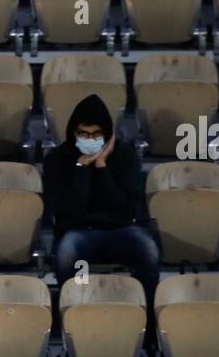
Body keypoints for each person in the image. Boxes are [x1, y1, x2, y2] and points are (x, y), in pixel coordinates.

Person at [44, 94, 160, 304]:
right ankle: (76, 310)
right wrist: (82, 168)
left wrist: (101, 167)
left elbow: (125, 210)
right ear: (73, 132)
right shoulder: (57, 160)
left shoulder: (125, 157)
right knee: (67, 252)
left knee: (147, 248)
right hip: (78, 234)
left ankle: (147, 315)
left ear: (106, 134)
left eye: (95, 134)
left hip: (120, 232)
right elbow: (69, 213)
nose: (89, 140)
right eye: (83, 134)